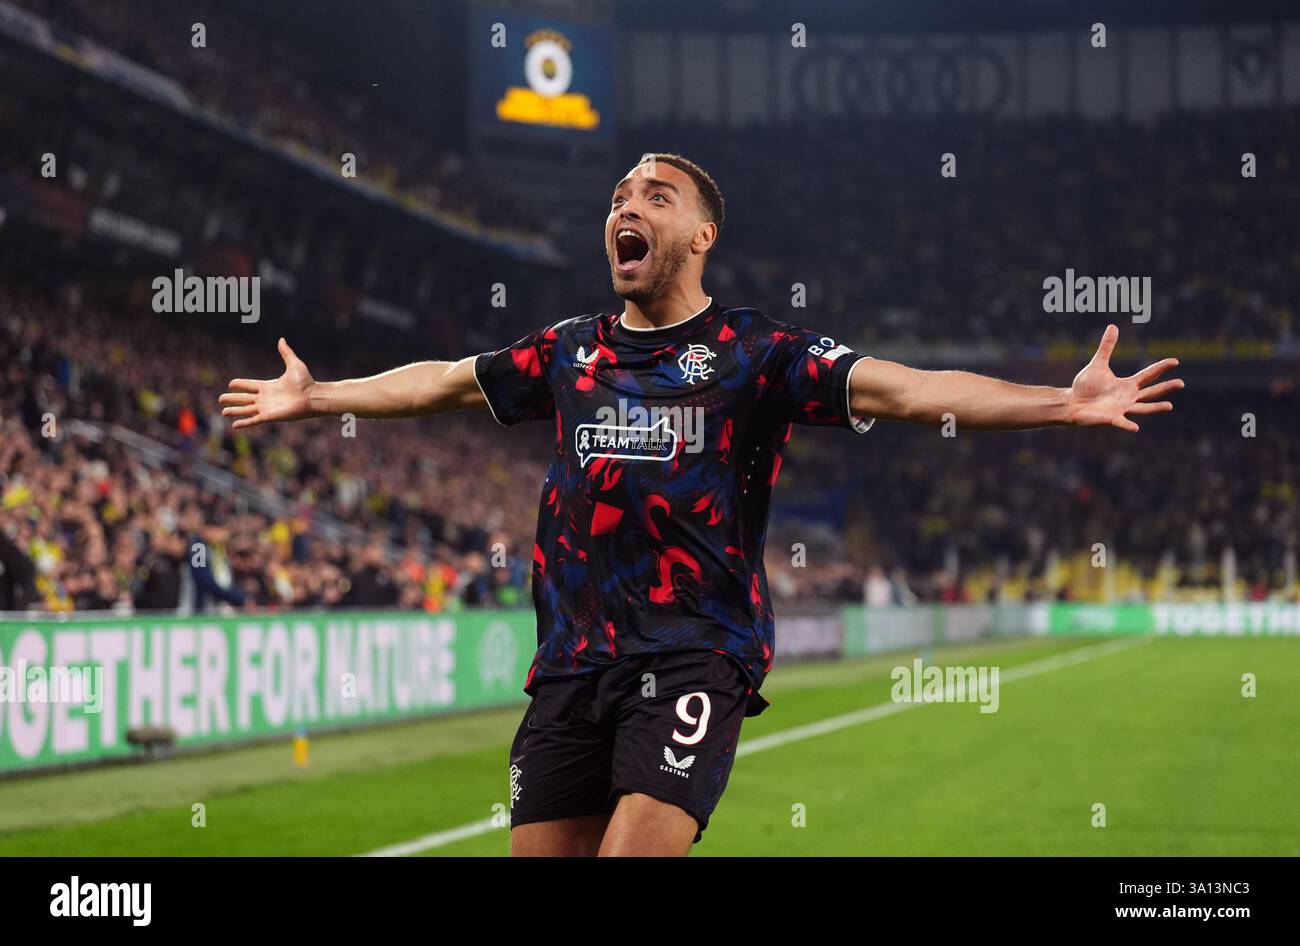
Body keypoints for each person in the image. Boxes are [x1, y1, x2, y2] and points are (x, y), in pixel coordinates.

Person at [219, 152, 1183, 856]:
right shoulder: (568, 350)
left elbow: (907, 388)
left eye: (655, 196)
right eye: (617, 198)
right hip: (568, 664)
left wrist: (1060, 402)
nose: (626, 208)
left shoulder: (757, 354)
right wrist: (321, 395)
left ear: (701, 234)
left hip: (693, 652)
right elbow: (443, 383)